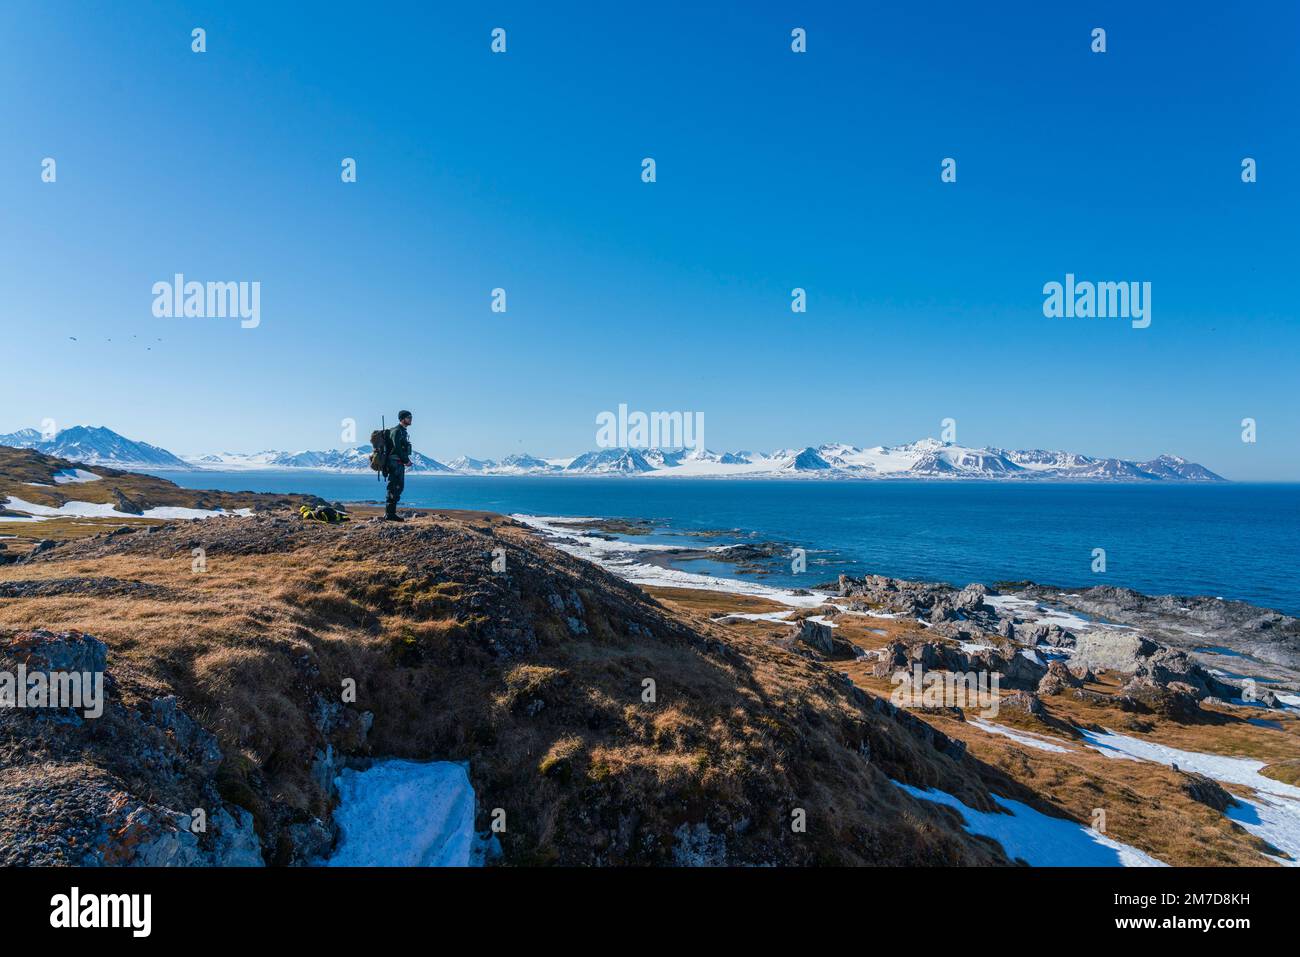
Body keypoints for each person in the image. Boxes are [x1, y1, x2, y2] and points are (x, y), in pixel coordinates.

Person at [385, 410, 414, 521]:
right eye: (408, 417)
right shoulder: (397, 431)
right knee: (394, 486)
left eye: (411, 417)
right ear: (402, 419)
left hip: (398, 462)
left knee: (398, 486)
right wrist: (406, 460)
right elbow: (397, 448)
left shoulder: (402, 431)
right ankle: (390, 514)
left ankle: (390, 513)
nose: (411, 419)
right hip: (395, 462)